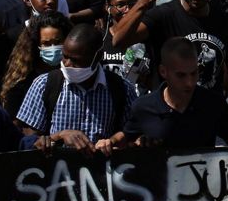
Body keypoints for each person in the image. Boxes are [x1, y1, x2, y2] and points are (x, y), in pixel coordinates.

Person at [122, 37, 228, 150]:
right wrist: (128, 143)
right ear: (163, 71)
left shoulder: (213, 104)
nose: (189, 82)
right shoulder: (143, 107)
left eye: (194, 73)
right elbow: (126, 140)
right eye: (181, 75)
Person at [16, 24, 139, 153]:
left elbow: (133, 134)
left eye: (76, 60)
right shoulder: (43, 85)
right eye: (65, 56)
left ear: (97, 57)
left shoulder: (122, 89)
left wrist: (112, 141)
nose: (67, 64)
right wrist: (58, 137)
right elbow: (28, 141)